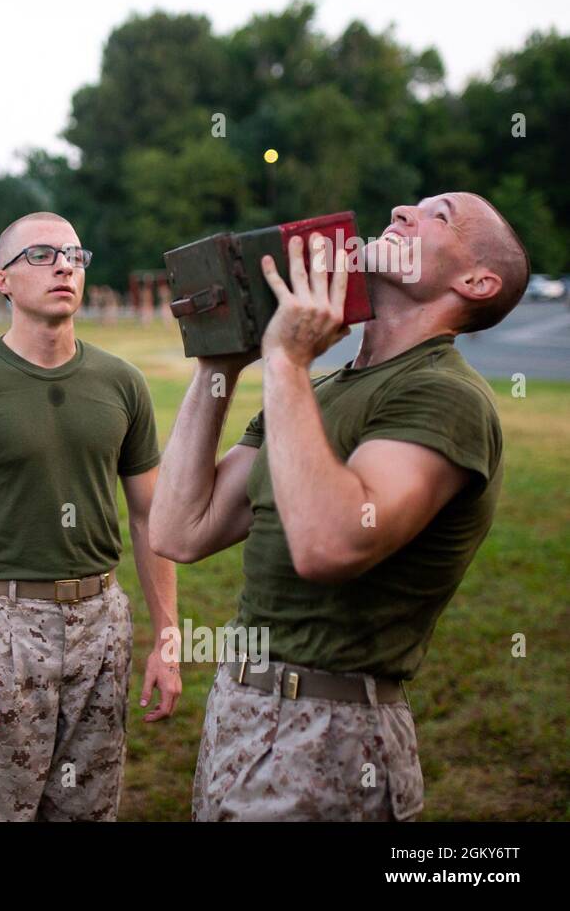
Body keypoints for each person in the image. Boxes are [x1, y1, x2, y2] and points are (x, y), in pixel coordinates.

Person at [148, 193, 529, 821]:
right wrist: (218, 367)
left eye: (440, 214)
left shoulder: (445, 396)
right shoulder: (315, 391)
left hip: (335, 732)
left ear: (476, 281)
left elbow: (330, 545)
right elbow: (180, 530)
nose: (405, 207)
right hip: (237, 716)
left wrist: (288, 361)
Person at [0, 211, 181, 821]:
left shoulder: (123, 383)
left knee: (87, 809)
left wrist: (167, 638)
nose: (64, 264)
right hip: (3, 628)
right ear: (2, 280)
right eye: (42, 255)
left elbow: (149, 519)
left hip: (103, 623)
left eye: (74, 255)